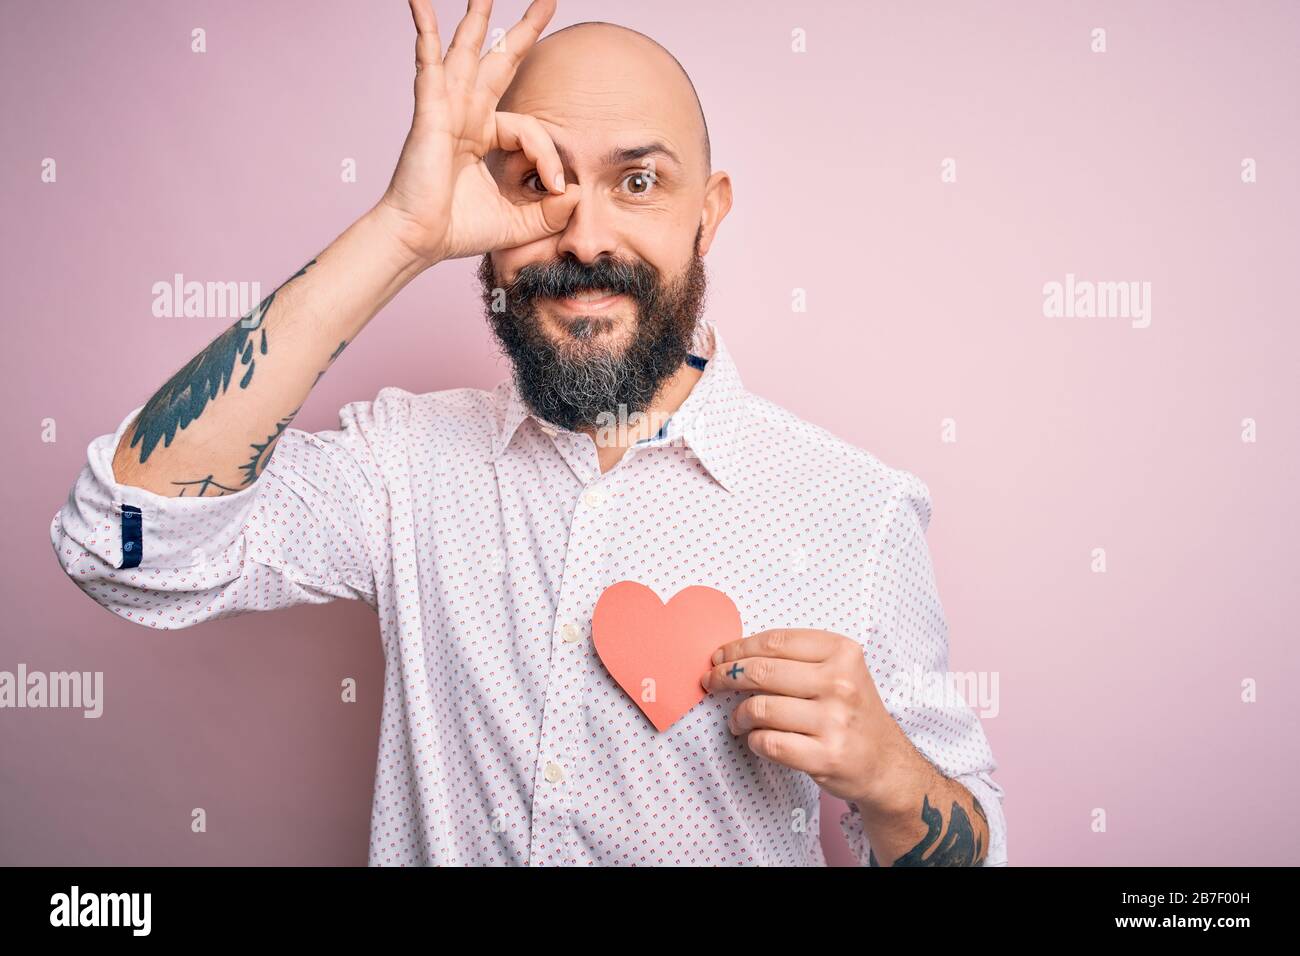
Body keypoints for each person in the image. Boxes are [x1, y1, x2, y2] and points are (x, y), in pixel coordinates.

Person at [49, 0, 1005, 866]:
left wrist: (891, 779)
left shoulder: (856, 510)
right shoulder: (404, 466)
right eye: (537, 181)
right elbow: (123, 546)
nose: (585, 238)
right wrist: (403, 229)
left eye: (638, 181)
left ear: (707, 215)